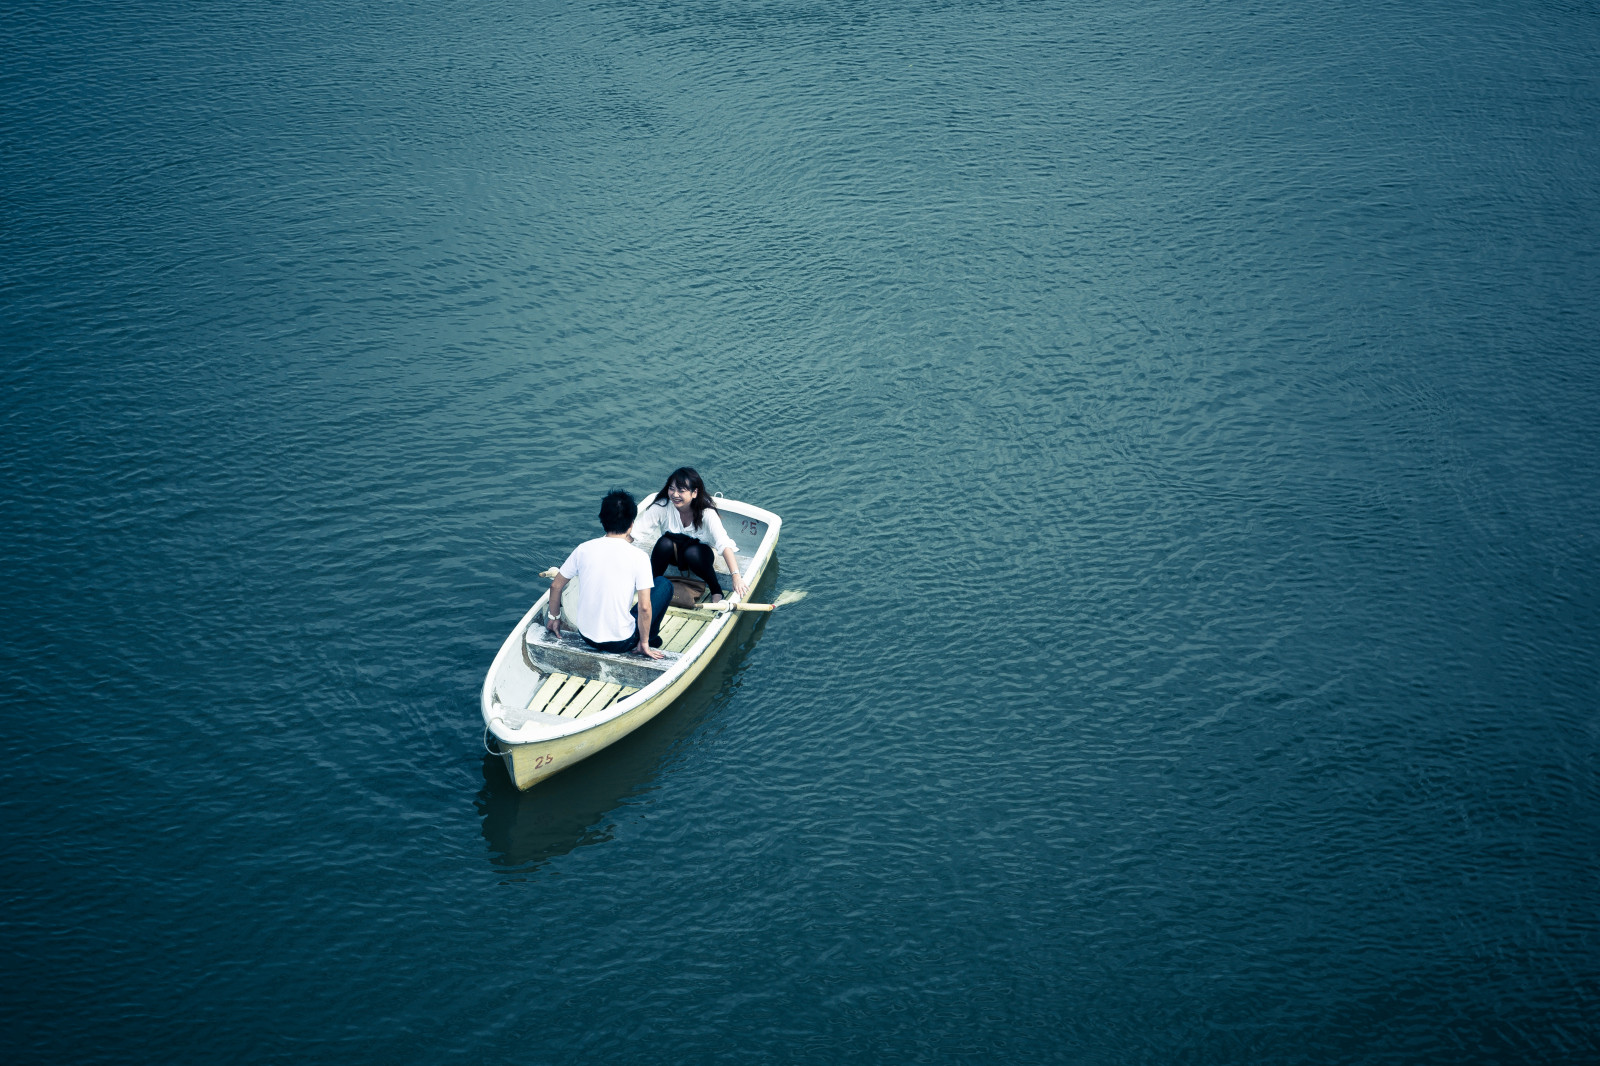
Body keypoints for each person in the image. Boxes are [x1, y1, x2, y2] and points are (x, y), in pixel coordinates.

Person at [546, 490, 673, 657]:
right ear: (631, 525)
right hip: (621, 643)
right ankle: (650, 637)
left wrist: (554, 617)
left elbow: (556, 585)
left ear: (602, 520)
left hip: (587, 637)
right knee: (664, 584)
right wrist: (644, 643)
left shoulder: (583, 549)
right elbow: (644, 607)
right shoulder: (639, 557)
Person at [630, 467, 749, 603]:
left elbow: (723, 543)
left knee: (692, 552)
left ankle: (716, 590)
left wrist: (736, 577)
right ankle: (650, 587)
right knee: (664, 543)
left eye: (681, 490)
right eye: (672, 488)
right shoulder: (662, 506)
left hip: (700, 556)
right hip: (674, 553)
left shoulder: (707, 513)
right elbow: (636, 532)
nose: (675, 494)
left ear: (694, 493)